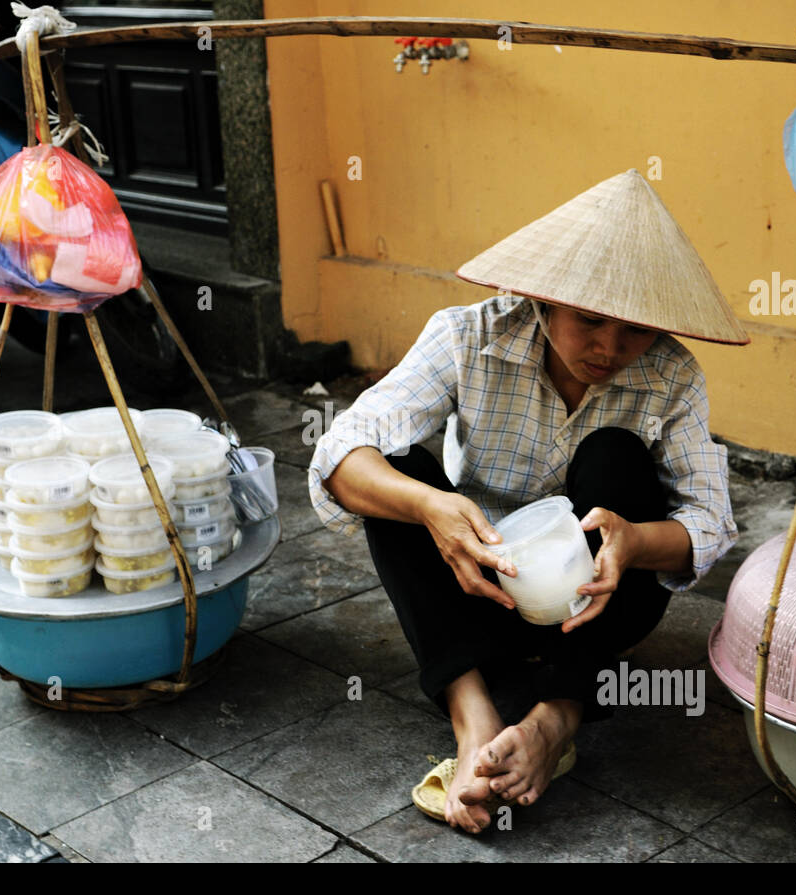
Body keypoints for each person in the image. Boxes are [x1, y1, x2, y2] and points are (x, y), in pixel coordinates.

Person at [306, 169, 747, 834]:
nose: (609, 349)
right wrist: (429, 507)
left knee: (614, 457)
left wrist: (634, 540)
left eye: (635, 331)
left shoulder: (672, 375)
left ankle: (555, 714)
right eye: (589, 321)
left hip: (596, 608)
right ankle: (473, 714)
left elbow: (711, 521)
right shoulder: (466, 336)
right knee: (398, 475)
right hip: (478, 587)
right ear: (542, 298)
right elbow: (338, 457)